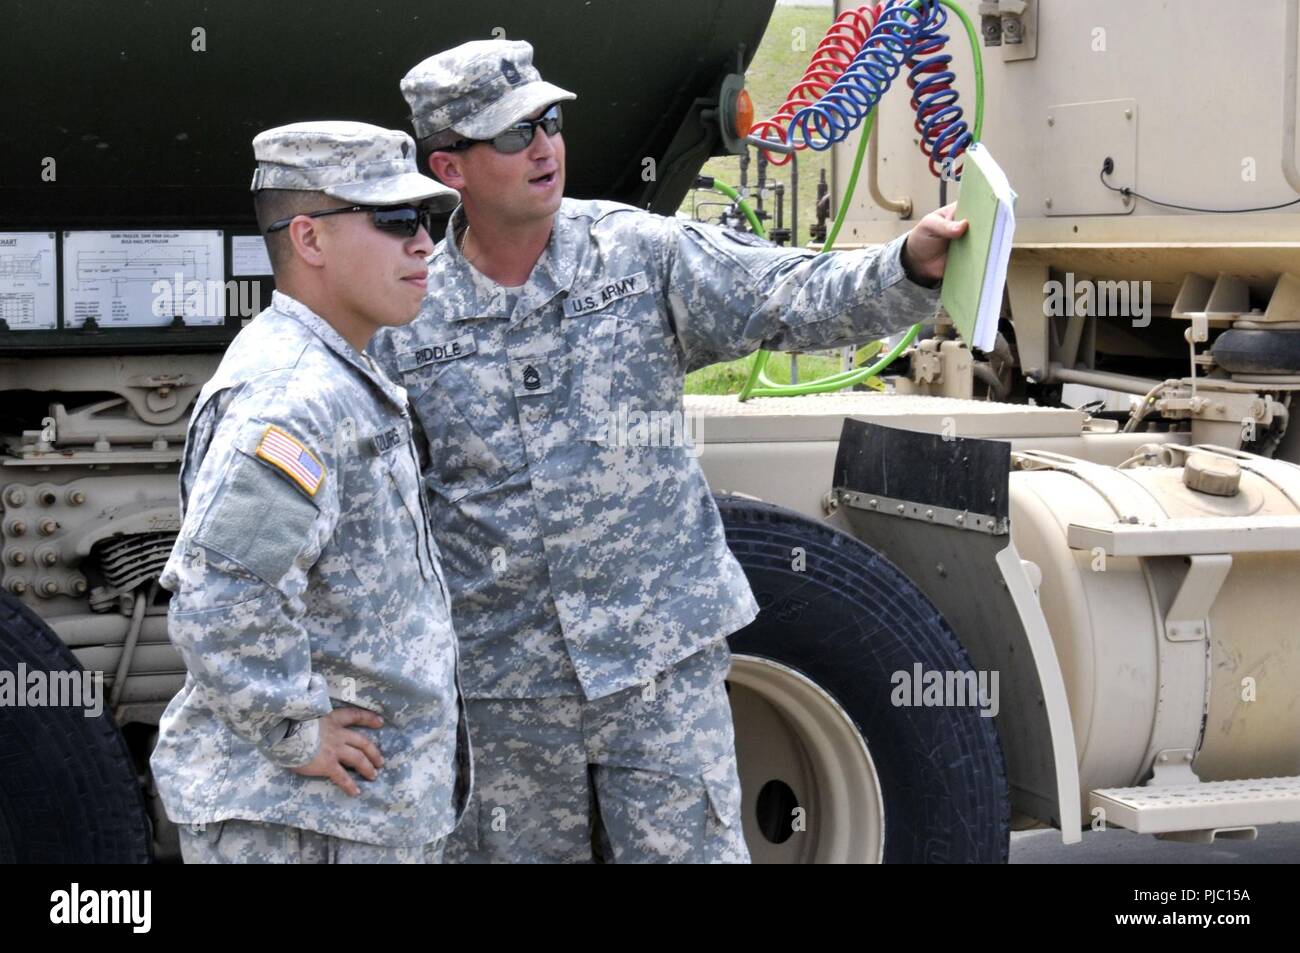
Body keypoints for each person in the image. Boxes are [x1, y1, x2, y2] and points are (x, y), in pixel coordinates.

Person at [370, 39, 967, 863]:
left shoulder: (637, 253)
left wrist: (907, 265)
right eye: (512, 136)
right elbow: (388, 522)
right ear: (451, 167)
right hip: (507, 692)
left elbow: (784, 294)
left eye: (550, 120)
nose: (544, 146)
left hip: (658, 668)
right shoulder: (412, 319)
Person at [152, 121, 469, 863]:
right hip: (301, 827)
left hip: (351, 819)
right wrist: (294, 727)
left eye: (427, 221)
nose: (423, 243)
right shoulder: (294, 396)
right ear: (310, 239)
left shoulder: (336, 368)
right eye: (394, 221)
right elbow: (219, 594)